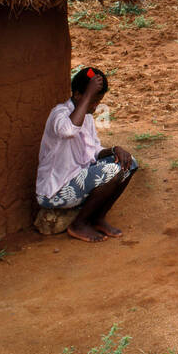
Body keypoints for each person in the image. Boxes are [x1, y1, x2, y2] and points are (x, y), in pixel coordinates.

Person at [35, 66, 137, 243]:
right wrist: (88, 94)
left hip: (78, 178)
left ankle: (97, 218)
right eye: (93, 101)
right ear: (77, 95)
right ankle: (78, 224)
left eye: (98, 101)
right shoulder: (59, 114)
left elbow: (94, 150)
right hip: (54, 191)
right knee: (112, 170)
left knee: (129, 163)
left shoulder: (87, 117)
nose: (96, 106)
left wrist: (114, 150)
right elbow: (68, 131)